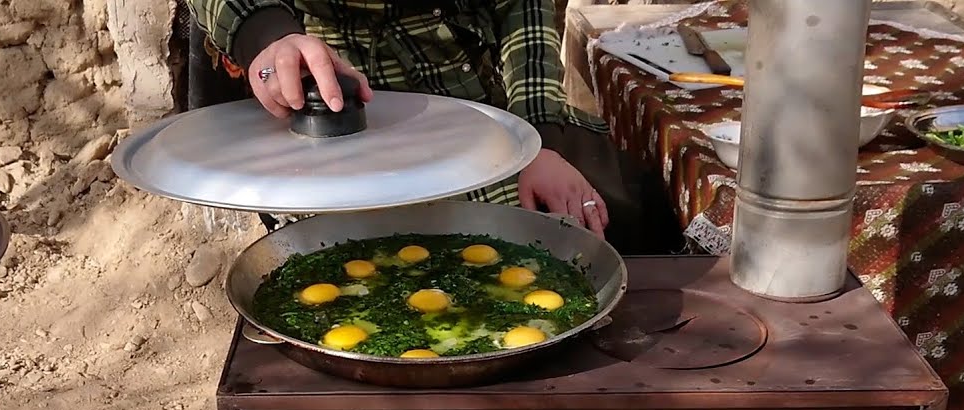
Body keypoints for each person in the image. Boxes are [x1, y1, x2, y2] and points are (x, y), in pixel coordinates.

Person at [185, 0, 660, 245]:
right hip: (341, 101)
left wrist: (537, 139)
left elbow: (523, 12)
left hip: (479, 99)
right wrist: (269, 38)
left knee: (614, 215)